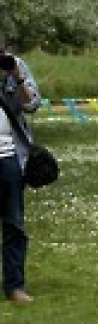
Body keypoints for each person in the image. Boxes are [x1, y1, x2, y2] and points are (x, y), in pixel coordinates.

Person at [0, 50, 43, 303]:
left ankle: (15, 286)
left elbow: (32, 104)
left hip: (8, 156)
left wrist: (15, 76)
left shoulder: (13, 66)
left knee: (14, 223)